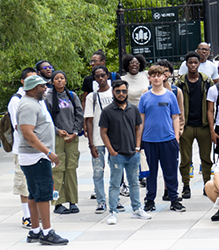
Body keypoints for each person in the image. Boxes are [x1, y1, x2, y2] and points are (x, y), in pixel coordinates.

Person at [17, 75, 70, 245]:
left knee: (34, 194)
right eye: (42, 86)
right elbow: (27, 133)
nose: (46, 89)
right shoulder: (27, 106)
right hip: (36, 157)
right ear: (33, 88)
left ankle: (35, 231)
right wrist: (48, 152)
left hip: (36, 156)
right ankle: (47, 233)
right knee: (44, 195)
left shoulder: (35, 103)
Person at [100, 80, 152, 224]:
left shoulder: (133, 109)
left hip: (133, 153)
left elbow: (138, 128)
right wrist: (111, 151)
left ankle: (137, 209)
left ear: (127, 92)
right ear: (113, 92)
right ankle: (112, 212)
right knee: (115, 183)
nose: (121, 94)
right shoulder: (107, 111)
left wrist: (137, 147)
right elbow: (103, 133)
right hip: (117, 154)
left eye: (124, 91)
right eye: (118, 91)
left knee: (134, 182)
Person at [138, 65, 185, 213]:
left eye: (159, 75)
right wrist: (138, 143)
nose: (157, 78)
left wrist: (176, 137)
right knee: (150, 173)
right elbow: (141, 120)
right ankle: (150, 200)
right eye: (153, 75)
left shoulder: (170, 95)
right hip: (149, 140)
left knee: (170, 171)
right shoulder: (145, 96)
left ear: (164, 77)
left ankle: (174, 199)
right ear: (149, 78)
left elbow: (176, 117)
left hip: (168, 140)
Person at [44, 70, 83, 215]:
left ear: (65, 80)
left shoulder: (71, 96)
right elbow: (46, 119)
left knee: (71, 169)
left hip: (71, 138)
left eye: (62, 78)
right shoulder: (47, 98)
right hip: (56, 138)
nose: (59, 81)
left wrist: (75, 132)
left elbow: (80, 114)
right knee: (57, 171)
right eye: (56, 78)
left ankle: (73, 201)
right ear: (52, 81)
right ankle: (57, 202)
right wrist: (57, 130)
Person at [177, 51, 214, 200]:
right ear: (186, 64)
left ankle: (207, 185)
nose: (193, 65)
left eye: (195, 62)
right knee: (185, 159)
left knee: (206, 158)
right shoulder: (180, 82)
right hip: (186, 126)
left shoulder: (207, 81)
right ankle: (186, 186)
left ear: (199, 64)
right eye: (190, 62)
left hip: (204, 125)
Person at [83, 66, 113, 215]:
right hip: (97, 139)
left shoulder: (115, 92)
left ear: (107, 75)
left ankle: (115, 200)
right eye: (97, 76)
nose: (100, 79)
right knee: (97, 172)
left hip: (114, 139)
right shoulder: (91, 97)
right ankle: (101, 201)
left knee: (116, 170)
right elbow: (89, 120)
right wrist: (91, 143)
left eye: (103, 75)